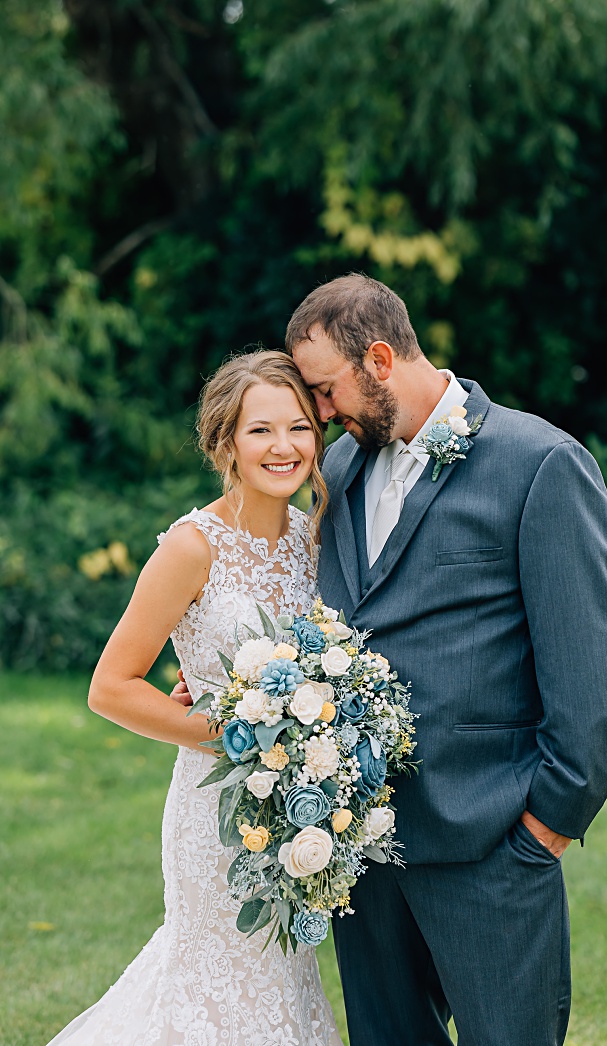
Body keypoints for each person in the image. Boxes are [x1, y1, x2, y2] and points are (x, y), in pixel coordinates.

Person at [283, 274, 607, 1046]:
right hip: (359, 840)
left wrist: (548, 824)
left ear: (379, 359)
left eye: (325, 391)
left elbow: (588, 666)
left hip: (490, 841)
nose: (320, 415)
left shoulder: (539, 464)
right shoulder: (339, 470)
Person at [53, 351, 341, 1044]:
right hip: (216, 804)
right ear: (225, 444)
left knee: (281, 973)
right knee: (216, 976)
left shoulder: (316, 540)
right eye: (260, 431)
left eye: (299, 428)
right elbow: (110, 687)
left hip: (298, 805)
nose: (283, 447)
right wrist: (232, 732)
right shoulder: (191, 546)